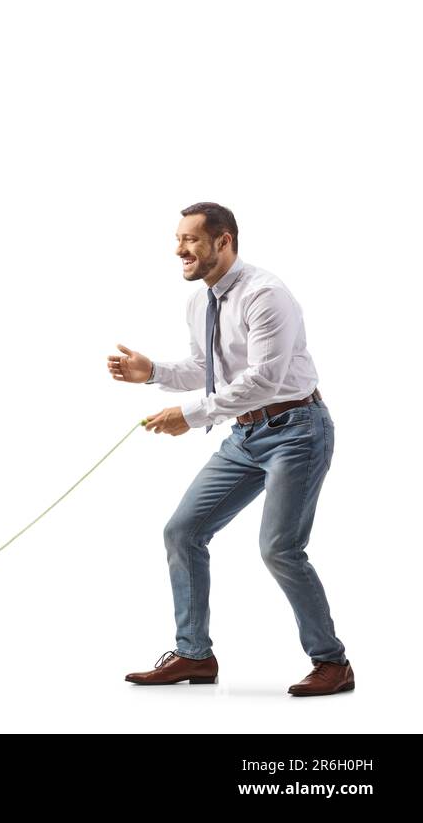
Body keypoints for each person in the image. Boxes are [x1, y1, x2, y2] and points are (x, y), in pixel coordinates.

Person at [108, 202, 352, 695]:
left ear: (224, 241)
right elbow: (208, 370)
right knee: (183, 530)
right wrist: (153, 371)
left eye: (191, 240)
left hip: (297, 430)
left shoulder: (266, 295)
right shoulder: (201, 302)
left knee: (279, 549)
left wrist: (191, 415)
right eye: (178, 239)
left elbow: (266, 380)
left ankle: (333, 662)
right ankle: (194, 655)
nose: (180, 249)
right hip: (244, 437)